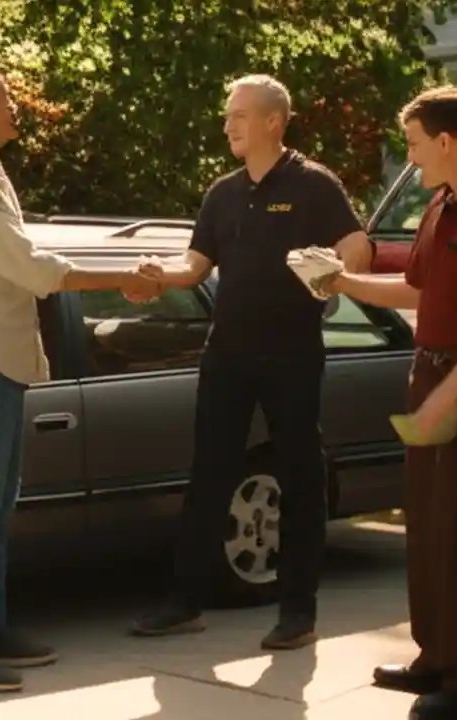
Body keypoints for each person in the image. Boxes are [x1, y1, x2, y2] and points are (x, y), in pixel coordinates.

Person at [0, 54, 161, 693]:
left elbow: (25, 264)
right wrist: (121, 279)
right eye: (4, 97)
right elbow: (32, 266)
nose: (15, 105)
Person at [323, 87, 457, 720]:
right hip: (432, 375)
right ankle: (436, 660)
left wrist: (453, 388)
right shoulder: (440, 207)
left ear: (446, 141)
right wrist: (336, 282)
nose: (412, 159)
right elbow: (416, 290)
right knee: (426, 523)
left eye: (416, 145)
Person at [129, 74, 372, 648]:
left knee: (300, 477)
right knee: (209, 474)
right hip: (228, 356)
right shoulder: (223, 192)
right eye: (228, 115)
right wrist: (154, 276)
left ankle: (298, 613)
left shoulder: (314, 184)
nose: (228, 124)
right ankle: (184, 602)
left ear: (272, 122)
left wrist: (336, 271)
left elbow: (356, 245)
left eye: (238, 115)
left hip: (291, 356)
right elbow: (193, 266)